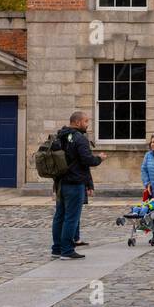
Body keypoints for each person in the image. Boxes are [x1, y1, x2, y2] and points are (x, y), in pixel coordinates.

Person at [51, 111, 106, 260]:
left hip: (60, 183)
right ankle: (67, 250)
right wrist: (99, 158)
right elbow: (87, 161)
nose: (87, 124)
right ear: (77, 122)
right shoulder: (79, 138)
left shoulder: (60, 136)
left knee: (59, 216)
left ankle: (56, 249)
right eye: (86, 121)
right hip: (74, 184)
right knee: (71, 218)